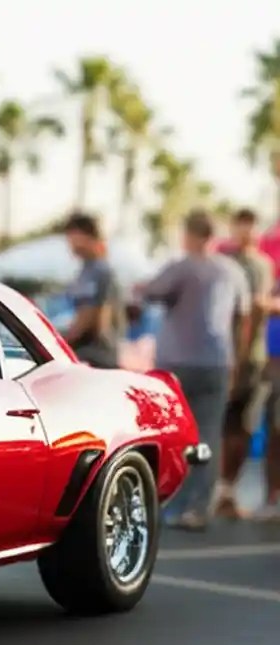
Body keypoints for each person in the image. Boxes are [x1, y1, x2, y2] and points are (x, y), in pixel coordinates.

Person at [139, 210, 249, 531]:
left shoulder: (182, 267)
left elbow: (149, 292)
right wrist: (236, 361)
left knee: (170, 432)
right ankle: (199, 507)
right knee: (207, 436)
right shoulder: (232, 271)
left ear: (190, 235)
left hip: (177, 364)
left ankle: (166, 501)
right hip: (216, 362)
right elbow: (241, 318)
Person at [214, 208, 275, 519]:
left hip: (254, 357)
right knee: (219, 425)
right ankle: (214, 491)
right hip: (224, 355)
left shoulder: (264, 264)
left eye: (250, 227)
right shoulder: (223, 264)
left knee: (244, 425)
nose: (245, 233)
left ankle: (227, 489)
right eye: (240, 226)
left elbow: (260, 307)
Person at [62, 212, 125, 368]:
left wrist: (59, 343)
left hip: (95, 356)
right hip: (94, 354)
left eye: (72, 236)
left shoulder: (98, 270)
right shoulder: (90, 269)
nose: (69, 243)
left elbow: (88, 316)